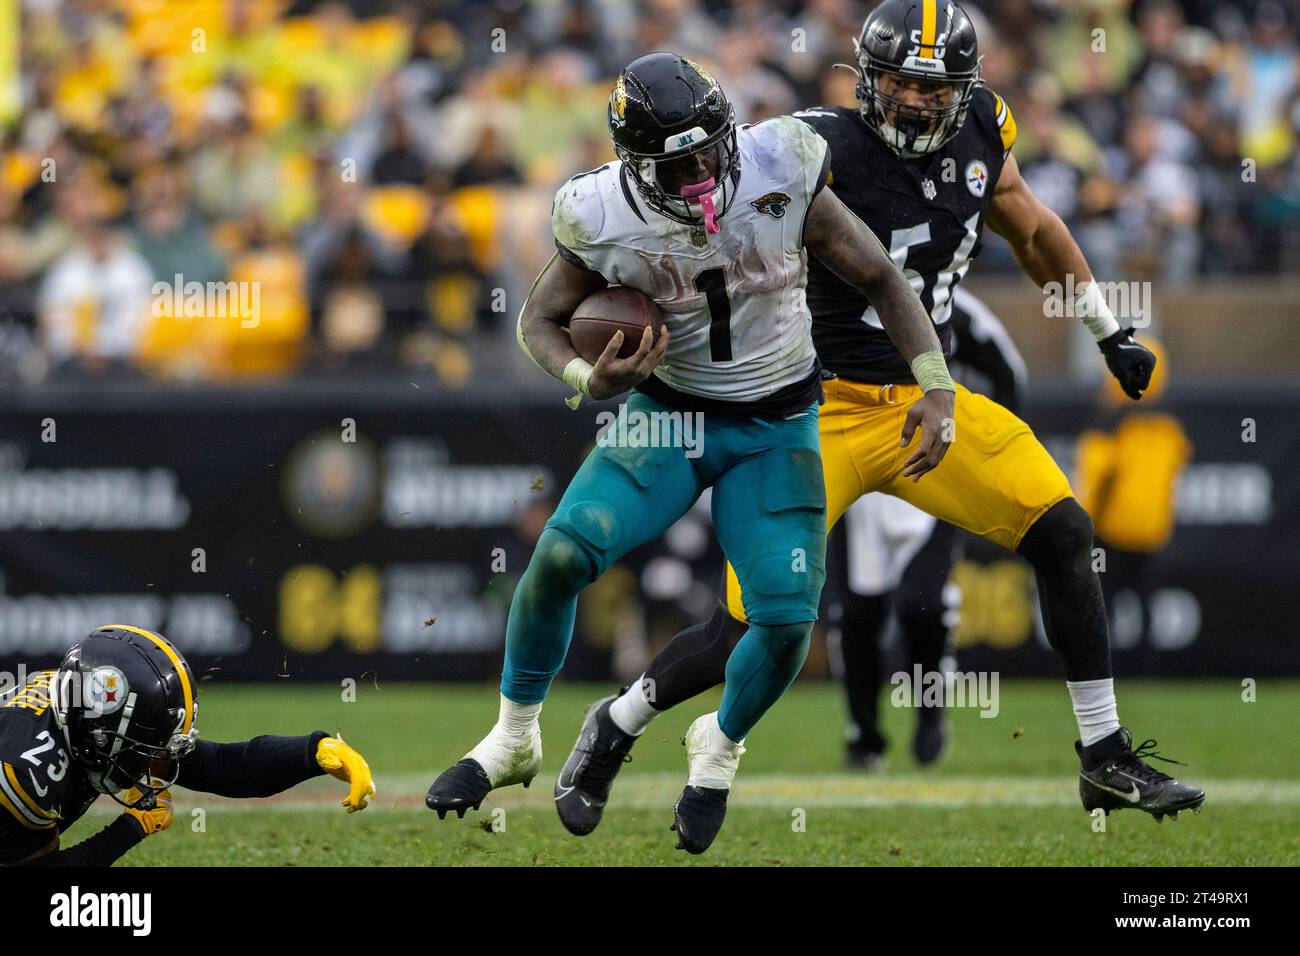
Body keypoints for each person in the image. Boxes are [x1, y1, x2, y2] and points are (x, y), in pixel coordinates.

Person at [556, 1, 1206, 843]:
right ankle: (619, 722)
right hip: (810, 407)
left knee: (1065, 531)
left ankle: (1104, 752)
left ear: (964, 89)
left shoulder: (984, 130)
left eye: (933, 87)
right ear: (866, 75)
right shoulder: (805, 144)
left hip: (923, 401)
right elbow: (703, 203)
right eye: (897, 79)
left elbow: (1036, 228)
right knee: (751, 623)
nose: (912, 99)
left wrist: (1106, 327)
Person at [425, 51, 956, 855]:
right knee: (561, 557)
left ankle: (718, 749)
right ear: (635, 165)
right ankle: (514, 737)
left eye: (712, 148)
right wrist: (584, 374)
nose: (705, 169)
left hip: (778, 418)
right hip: (670, 412)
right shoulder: (596, 211)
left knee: (783, 623)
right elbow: (538, 320)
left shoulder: (784, 163)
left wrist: (935, 382)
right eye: (680, 163)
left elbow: (882, 277)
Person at [1, 625, 374, 866]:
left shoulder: (81, 713)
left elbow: (223, 766)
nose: (151, 762)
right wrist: (132, 828)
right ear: (97, 732)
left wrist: (313, 753)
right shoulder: (25, 773)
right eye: (141, 748)